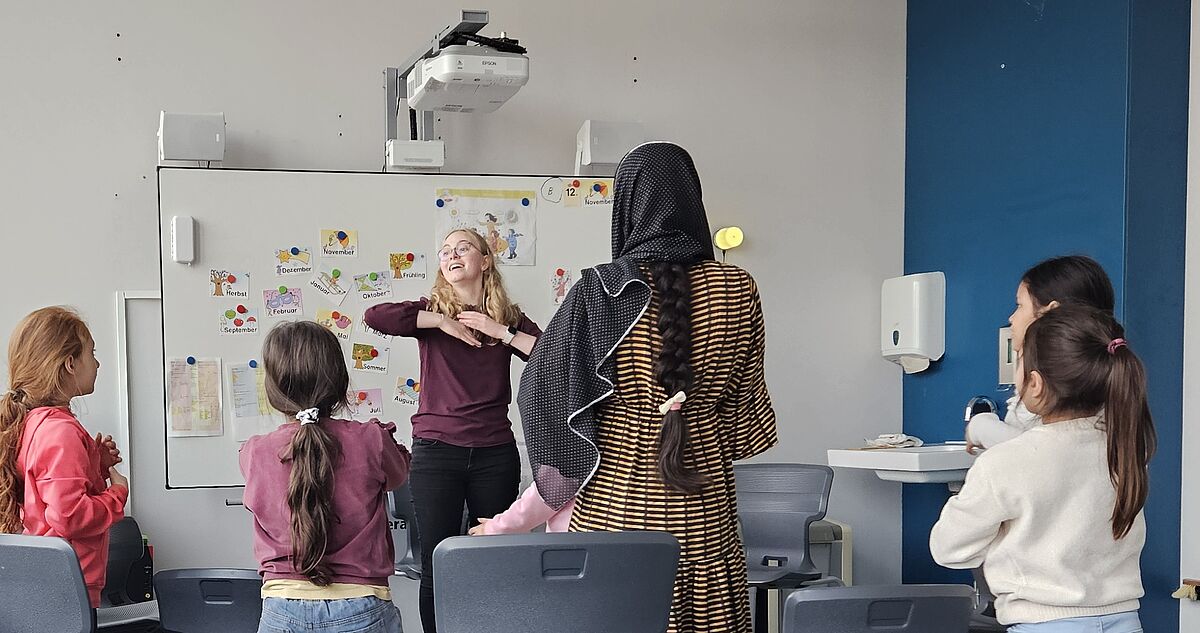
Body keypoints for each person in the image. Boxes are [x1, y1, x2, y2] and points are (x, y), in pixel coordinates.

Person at [498, 141, 778, 633]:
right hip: (705, 502)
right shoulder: (739, 287)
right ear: (694, 201)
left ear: (626, 205)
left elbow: (541, 388)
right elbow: (744, 418)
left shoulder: (600, 289)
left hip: (613, 503)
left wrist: (568, 464)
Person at [932, 306, 1153, 631]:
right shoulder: (1124, 450)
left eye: (1019, 358)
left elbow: (947, 549)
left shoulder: (1005, 462)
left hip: (1045, 624)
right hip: (1126, 621)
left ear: (1034, 383)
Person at [363, 228, 540, 633]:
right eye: (444, 251)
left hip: (494, 453)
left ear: (484, 260)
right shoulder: (429, 312)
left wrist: (501, 332)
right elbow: (375, 316)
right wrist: (441, 321)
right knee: (437, 561)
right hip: (436, 453)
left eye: (462, 248)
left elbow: (550, 354)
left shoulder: (507, 317)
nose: (451, 255)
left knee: (492, 558)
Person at [240, 321, 410, 633]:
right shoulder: (370, 440)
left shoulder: (255, 453)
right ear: (340, 382)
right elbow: (399, 475)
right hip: (362, 606)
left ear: (273, 388)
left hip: (281, 609)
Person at [0, 306, 126, 608]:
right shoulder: (60, 431)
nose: (97, 363)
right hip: (67, 588)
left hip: (50, 583)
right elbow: (69, 516)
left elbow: (48, 496)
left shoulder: (34, 423)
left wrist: (95, 466)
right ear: (70, 363)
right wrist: (116, 493)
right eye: (91, 353)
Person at [966, 255, 1115, 449]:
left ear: (1051, 312)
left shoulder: (1054, 385)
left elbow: (1033, 450)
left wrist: (980, 426)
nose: (1012, 318)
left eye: (1020, 305)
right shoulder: (1109, 379)